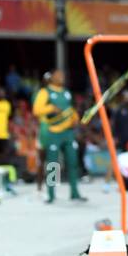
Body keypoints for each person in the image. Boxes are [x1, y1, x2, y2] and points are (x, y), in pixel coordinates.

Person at [33, 69, 86, 203]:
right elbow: (37, 110)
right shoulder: (45, 92)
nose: (62, 77)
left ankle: (74, 192)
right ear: (52, 78)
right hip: (54, 132)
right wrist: (51, 108)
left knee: (72, 162)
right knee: (53, 164)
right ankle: (51, 194)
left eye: (63, 75)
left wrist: (75, 118)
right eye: (59, 75)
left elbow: (71, 109)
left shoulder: (66, 93)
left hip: (68, 132)